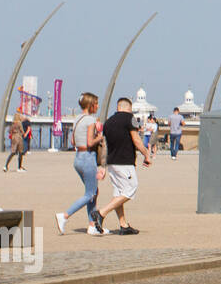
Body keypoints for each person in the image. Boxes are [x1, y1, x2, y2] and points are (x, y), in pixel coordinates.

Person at [94, 98, 151, 235]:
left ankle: (123, 225)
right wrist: (146, 154)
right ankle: (101, 213)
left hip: (112, 162)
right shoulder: (131, 118)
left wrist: (103, 165)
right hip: (124, 162)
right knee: (131, 188)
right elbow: (136, 140)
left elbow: (104, 145)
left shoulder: (108, 122)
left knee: (119, 192)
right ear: (129, 108)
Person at [56, 92, 107, 235]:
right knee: (90, 193)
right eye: (96, 103)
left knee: (92, 192)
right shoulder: (90, 120)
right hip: (88, 157)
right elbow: (90, 142)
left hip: (78, 158)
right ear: (91, 105)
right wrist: (100, 137)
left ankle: (92, 225)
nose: (97, 106)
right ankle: (64, 216)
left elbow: (73, 141)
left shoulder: (77, 118)